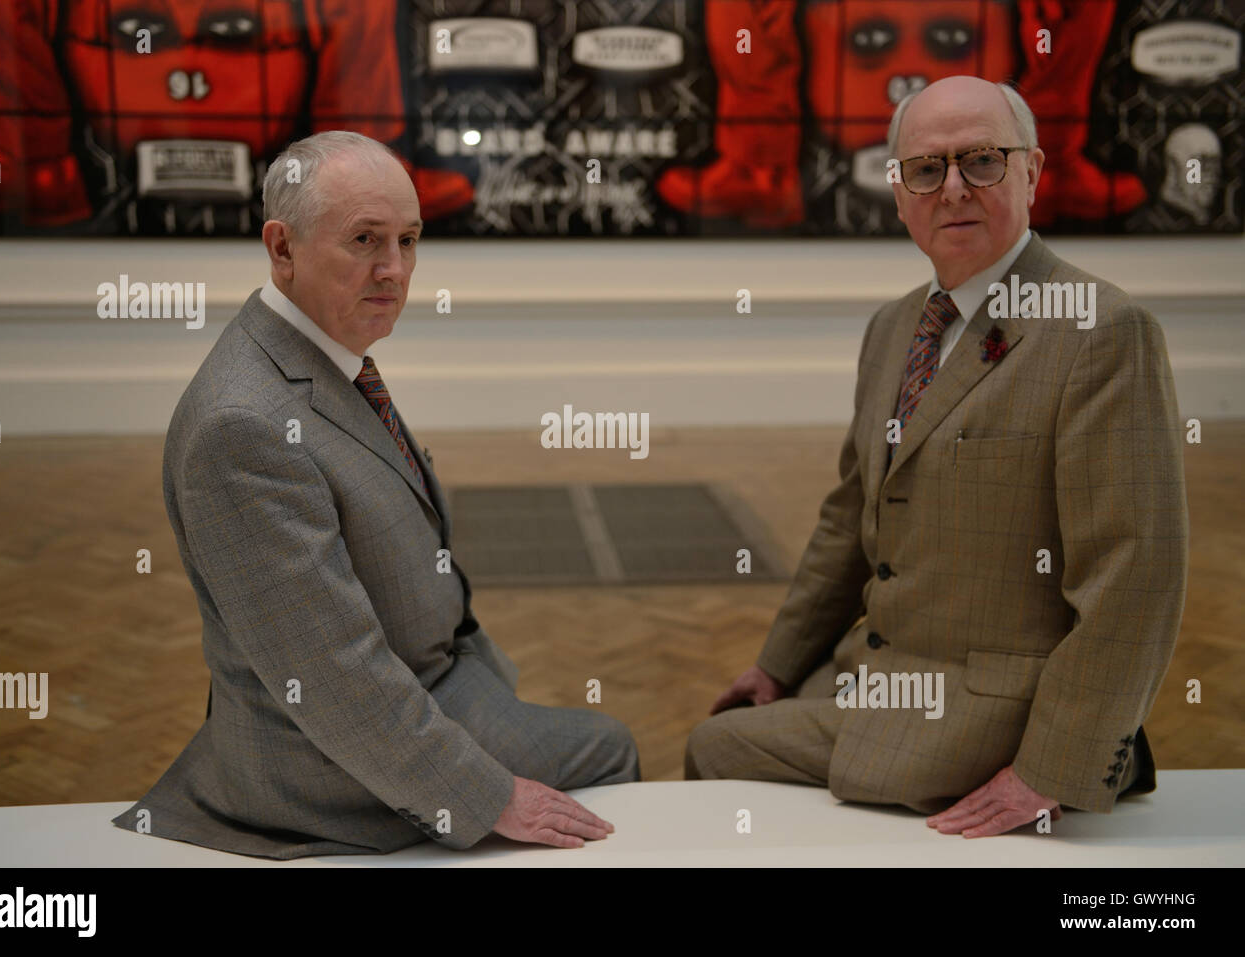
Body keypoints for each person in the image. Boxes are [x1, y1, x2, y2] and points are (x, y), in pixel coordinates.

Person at [112, 130, 638, 859]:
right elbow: (332, 679)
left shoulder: (320, 357)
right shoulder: (244, 424)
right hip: (321, 766)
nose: (393, 270)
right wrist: (489, 797)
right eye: (364, 240)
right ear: (282, 247)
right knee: (610, 749)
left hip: (430, 680)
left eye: (409, 241)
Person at [685, 76, 1188, 837]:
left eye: (981, 161)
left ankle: (1090, 756)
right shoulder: (893, 330)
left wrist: (1050, 769)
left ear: (1032, 172)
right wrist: (776, 666)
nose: (952, 188)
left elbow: (1135, 576)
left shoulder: (1103, 331)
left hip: (985, 708)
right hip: (873, 674)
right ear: (898, 193)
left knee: (711, 748)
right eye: (926, 169)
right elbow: (849, 519)